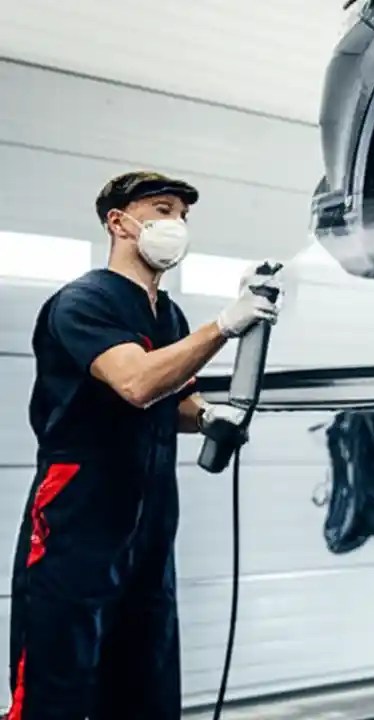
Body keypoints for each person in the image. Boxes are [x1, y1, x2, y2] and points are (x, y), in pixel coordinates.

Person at [5, 171, 285, 719]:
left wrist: (207, 417)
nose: (175, 225)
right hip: (78, 509)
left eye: (182, 216)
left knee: (145, 672)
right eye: (162, 210)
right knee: (56, 676)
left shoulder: (168, 315)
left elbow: (173, 398)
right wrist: (224, 326)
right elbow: (136, 383)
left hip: (150, 511)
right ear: (119, 222)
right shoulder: (83, 302)